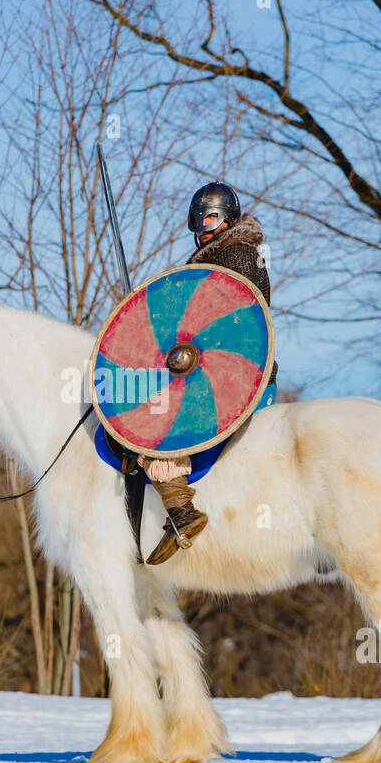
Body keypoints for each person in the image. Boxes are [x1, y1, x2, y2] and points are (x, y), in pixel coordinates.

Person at [140, 181, 276, 565]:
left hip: (229, 374)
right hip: (214, 368)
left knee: (153, 421)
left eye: (212, 217)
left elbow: (228, 320)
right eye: (197, 220)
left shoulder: (236, 255)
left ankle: (180, 509)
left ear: (228, 218)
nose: (203, 226)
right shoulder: (213, 259)